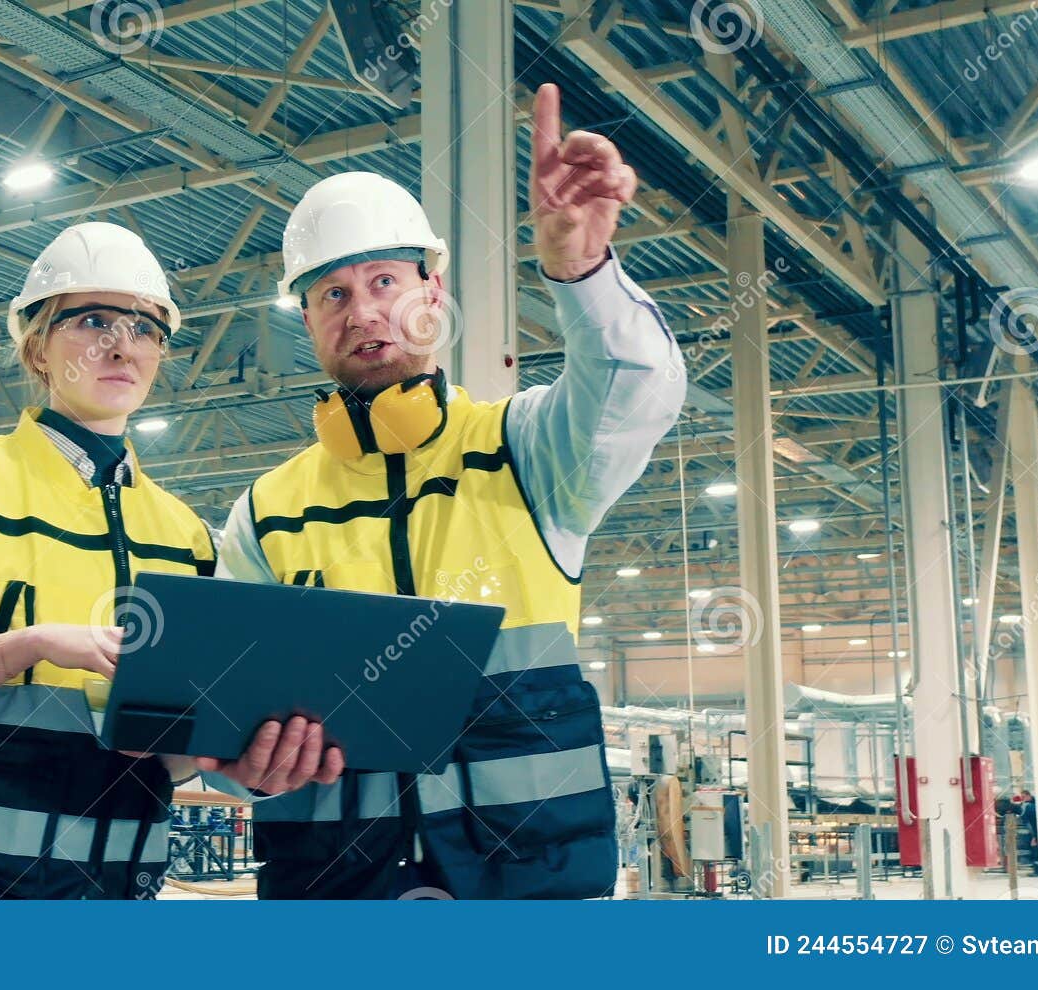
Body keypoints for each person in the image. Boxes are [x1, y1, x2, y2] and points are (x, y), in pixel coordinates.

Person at [214, 84, 686, 899]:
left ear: (433, 293)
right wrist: (245, 772)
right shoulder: (267, 512)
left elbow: (636, 390)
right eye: (332, 293)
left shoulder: (528, 452)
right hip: (337, 904)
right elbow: (220, 725)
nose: (364, 312)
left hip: (523, 901)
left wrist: (581, 273)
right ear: (308, 320)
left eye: (385, 281)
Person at [0, 222, 342, 899]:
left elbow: (172, 753)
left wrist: (252, 752)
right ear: (37, 345)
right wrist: (32, 645)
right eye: (93, 320)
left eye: (145, 330)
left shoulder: (187, 535)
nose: (121, 346)